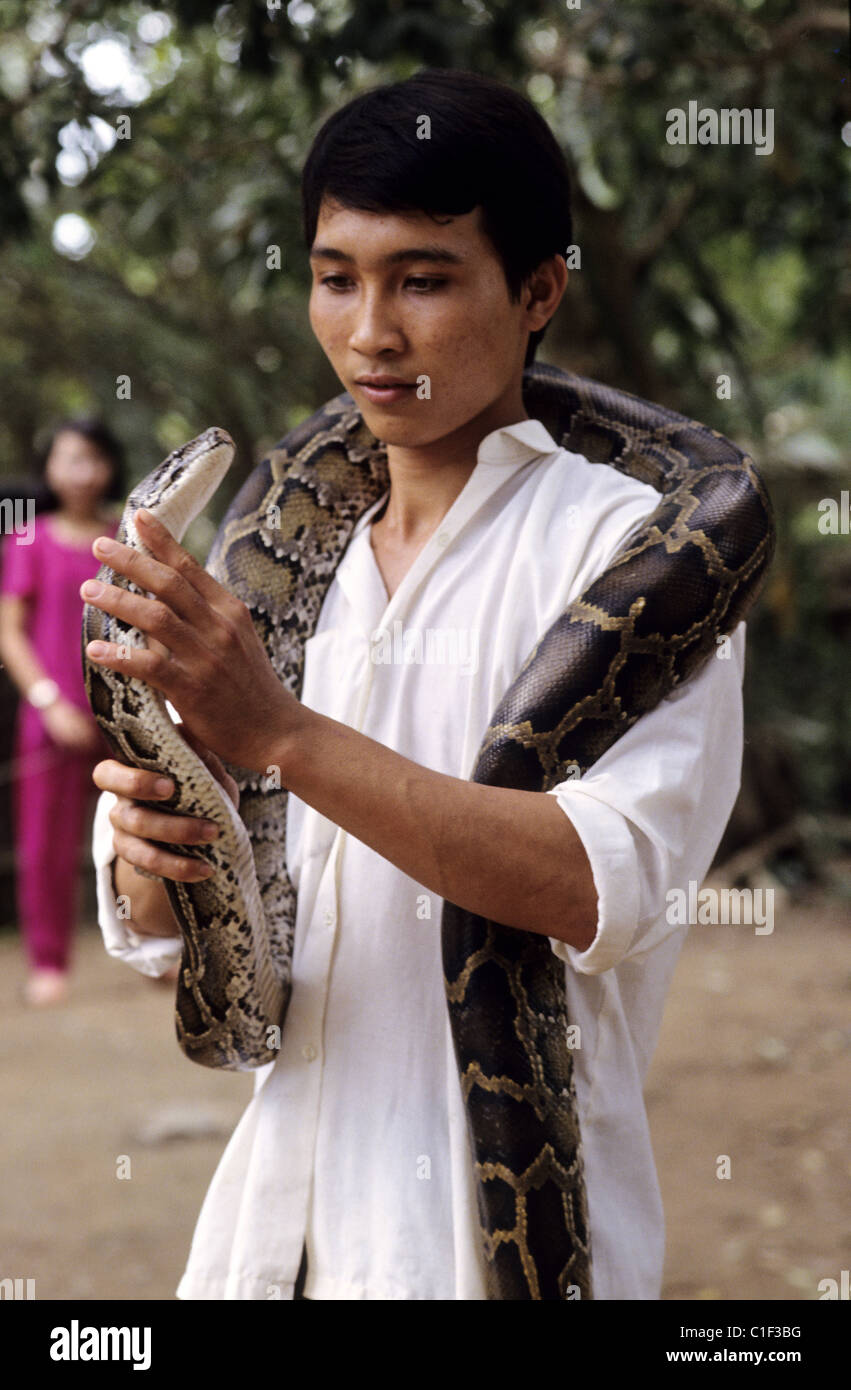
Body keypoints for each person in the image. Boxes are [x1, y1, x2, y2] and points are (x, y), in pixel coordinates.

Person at [86, 68, 745, 1299]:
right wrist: (153, 844)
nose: (369, 332)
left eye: (423, 279)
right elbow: (192, 956)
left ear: (538, 289)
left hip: (488, 1254)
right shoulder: (270, 570)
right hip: (265, 1240)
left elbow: (594, 884)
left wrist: (277, 732)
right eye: (336, 277)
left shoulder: (633, 553)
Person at [0, 419, 123, 1005]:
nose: (82, 471)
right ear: (48, 465)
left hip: (123, 714)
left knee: (141, 828)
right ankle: (49, 961)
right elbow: (9, 632)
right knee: (44, 844)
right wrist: (49, 703)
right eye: (70, 458)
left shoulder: (125, 534)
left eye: (93, 458)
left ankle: (155, 948)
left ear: (109, 467)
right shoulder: (26, 537)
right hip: (50, 718)